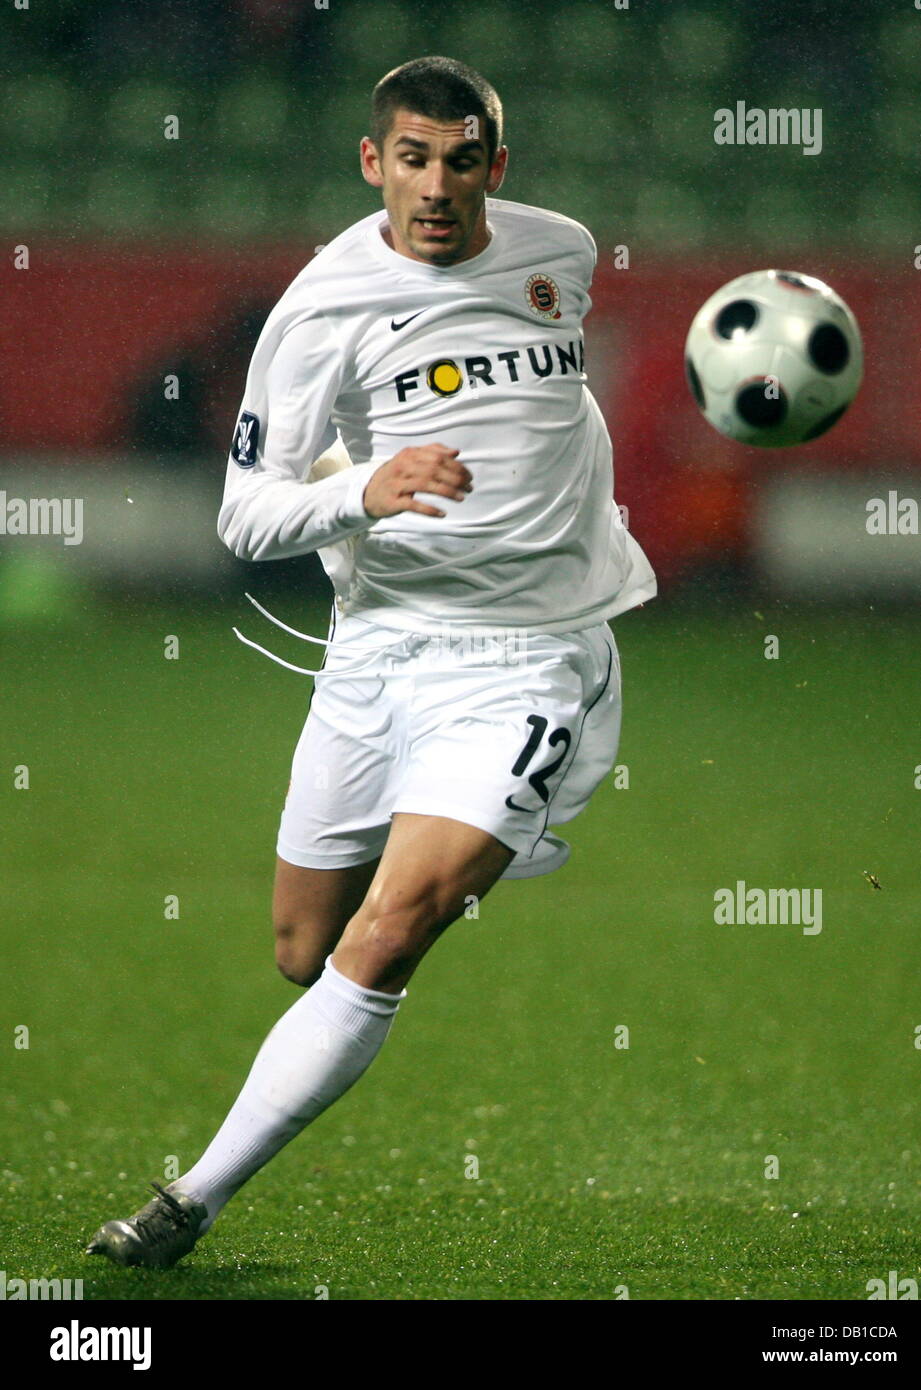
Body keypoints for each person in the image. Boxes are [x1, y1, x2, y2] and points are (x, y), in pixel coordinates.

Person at [86, 54, 656, 1270]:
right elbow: (243, 516)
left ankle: (190, 1199)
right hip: (379, 649)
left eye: (461, 159)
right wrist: (363, 490)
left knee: (394, 930)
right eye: (412, 158)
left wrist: (580, 541)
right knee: (305, 948)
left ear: (494, 166)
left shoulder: (561, 254)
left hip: (529, 658)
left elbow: (559, 416)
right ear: (371, 162)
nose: (436, 185)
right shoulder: (320, 309)